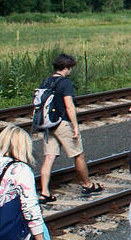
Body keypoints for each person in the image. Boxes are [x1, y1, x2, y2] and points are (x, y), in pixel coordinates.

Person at [36, 54, 100, 202]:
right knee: (78, 155)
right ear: (66, 68)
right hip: (62, 123)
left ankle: (45, 192)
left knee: (49, 157)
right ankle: (87, 184)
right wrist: (76, 127)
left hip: (47, 125)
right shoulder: (65, 83)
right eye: (70, 68)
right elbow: (69, 107)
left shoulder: (46, 81)